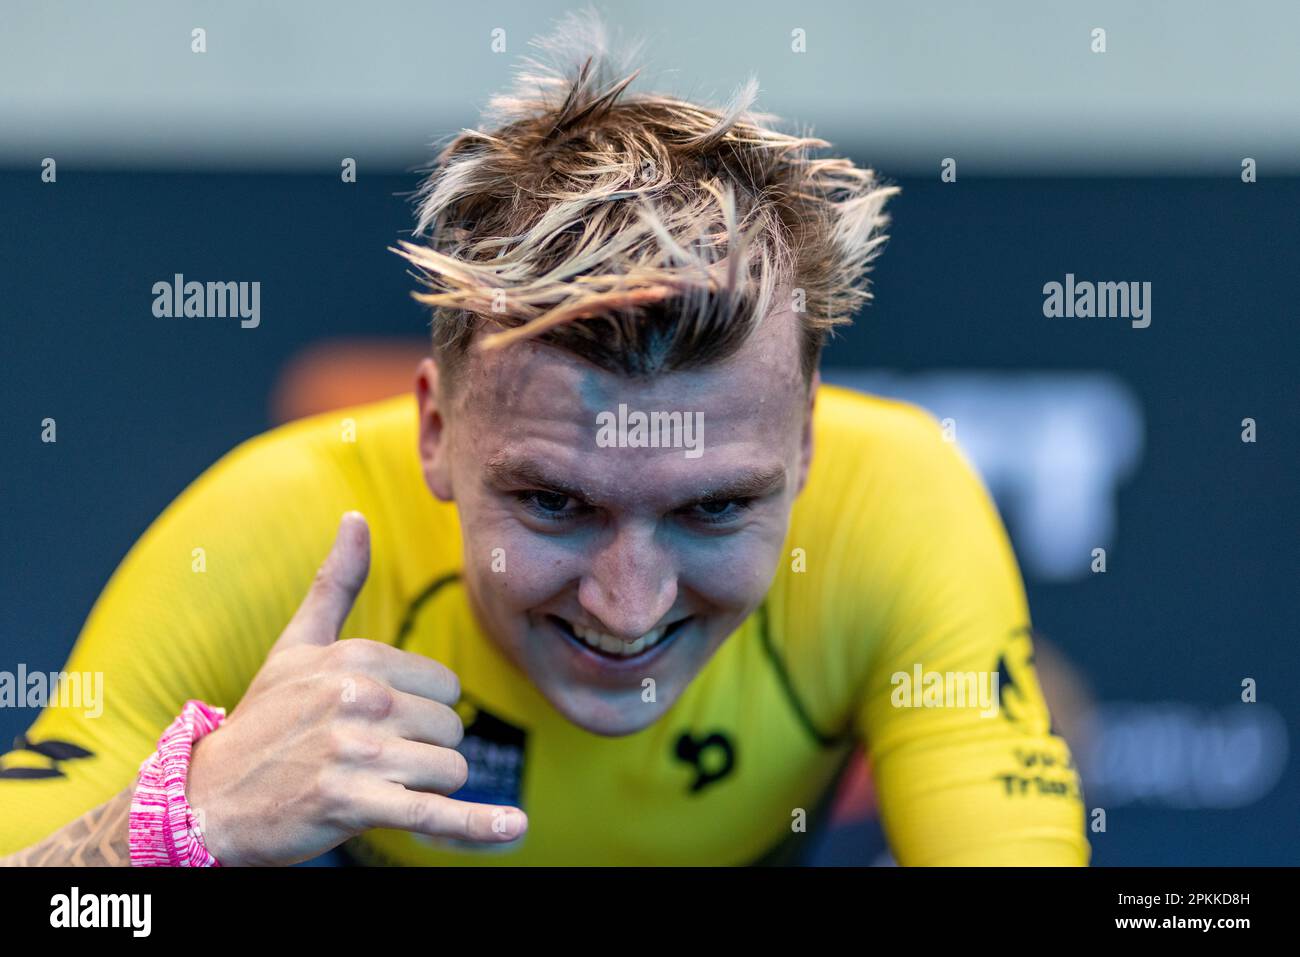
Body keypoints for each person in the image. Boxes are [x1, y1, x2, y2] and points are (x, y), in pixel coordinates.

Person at [0, 13, 1088, 866]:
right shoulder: (278, 523)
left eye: (713, 508)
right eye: (555, 504)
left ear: (806, 444)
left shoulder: (891, 501)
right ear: (435, 431)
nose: (629, 606)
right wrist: (184, 823)